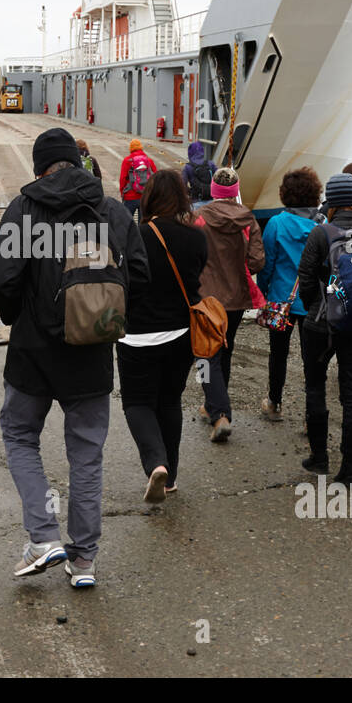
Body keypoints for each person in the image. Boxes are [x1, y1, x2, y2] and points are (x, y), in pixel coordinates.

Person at [0, 127, 148, 588]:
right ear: (77, 165)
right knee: (86, 455)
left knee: (19, 435)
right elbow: (140, 274)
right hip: (92, 353)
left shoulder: (24, 210)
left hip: (32, 352)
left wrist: (20, 316)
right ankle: (84, 561)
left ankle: (43, 536)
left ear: (40, 168)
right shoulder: (113, 212)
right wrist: (107, 315)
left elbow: (1, 277)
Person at [118, 169, 207, 501]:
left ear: (149, 197)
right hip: (181, 333)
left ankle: (156, 464)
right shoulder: (196, 237)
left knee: (137, 402)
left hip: (136, 335)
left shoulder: (136, 235)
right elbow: (196, 277)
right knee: (170, 401)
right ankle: (170, 478)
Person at [297, 173, 352, 483]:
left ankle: (319, 458)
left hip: (320, 326)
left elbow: (306, 280)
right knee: (351, 395)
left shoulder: (321, 233)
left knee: (315, 387)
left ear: (330, 203)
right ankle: (350, 469)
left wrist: (317, 308)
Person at [195, 167, 265, 442]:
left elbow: (189, 252)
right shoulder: (248, 220)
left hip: (205, 297)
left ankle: (220, 413)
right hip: (236, 298)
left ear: (213, 190)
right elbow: (258, 261)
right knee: (224, 350)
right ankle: (212, 405)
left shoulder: (198, 218)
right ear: (235, 191)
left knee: (204, 355)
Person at [256, 166, 321, 422]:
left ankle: (274, 402)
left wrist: (263, 292)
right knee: (312, 359)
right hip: (314, 300)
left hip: (281, 299)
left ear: (285, 194)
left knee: (278, 354)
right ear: (315, 193)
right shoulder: (323, 224)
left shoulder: (276, 223)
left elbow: (267, 263)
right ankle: (310, 413)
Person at [118, 138, 157, 222]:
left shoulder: (127, 161)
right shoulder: (148, 160)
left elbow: (122, 178)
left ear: (131, 149)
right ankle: (140, 235)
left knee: (126, 222)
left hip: (130, 196)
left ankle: (128, 235)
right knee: (142, 223)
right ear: (141, 148)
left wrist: (122, 192)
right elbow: (156, 177)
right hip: (145, 197)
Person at [182, 142, 217, 208]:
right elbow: (220, 178)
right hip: (211, 202)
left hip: (196, 202)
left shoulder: (187, 167)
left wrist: (190, 192)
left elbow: (183, 185)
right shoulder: (210, 164)